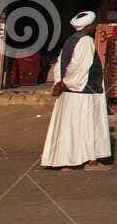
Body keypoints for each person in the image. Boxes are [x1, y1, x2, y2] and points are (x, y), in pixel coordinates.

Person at [40, 11, 112, 171]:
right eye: (94, 25)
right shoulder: (86, 41)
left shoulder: (70, 40)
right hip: (82, 92)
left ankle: (68, 161)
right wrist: (67, 83)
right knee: (87, 126)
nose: (95, 27)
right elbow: (79, 66)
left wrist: (60, 82)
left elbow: (60, 64)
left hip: (71, 91)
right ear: (88, 26)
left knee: (71, 127)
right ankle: (90, 161)